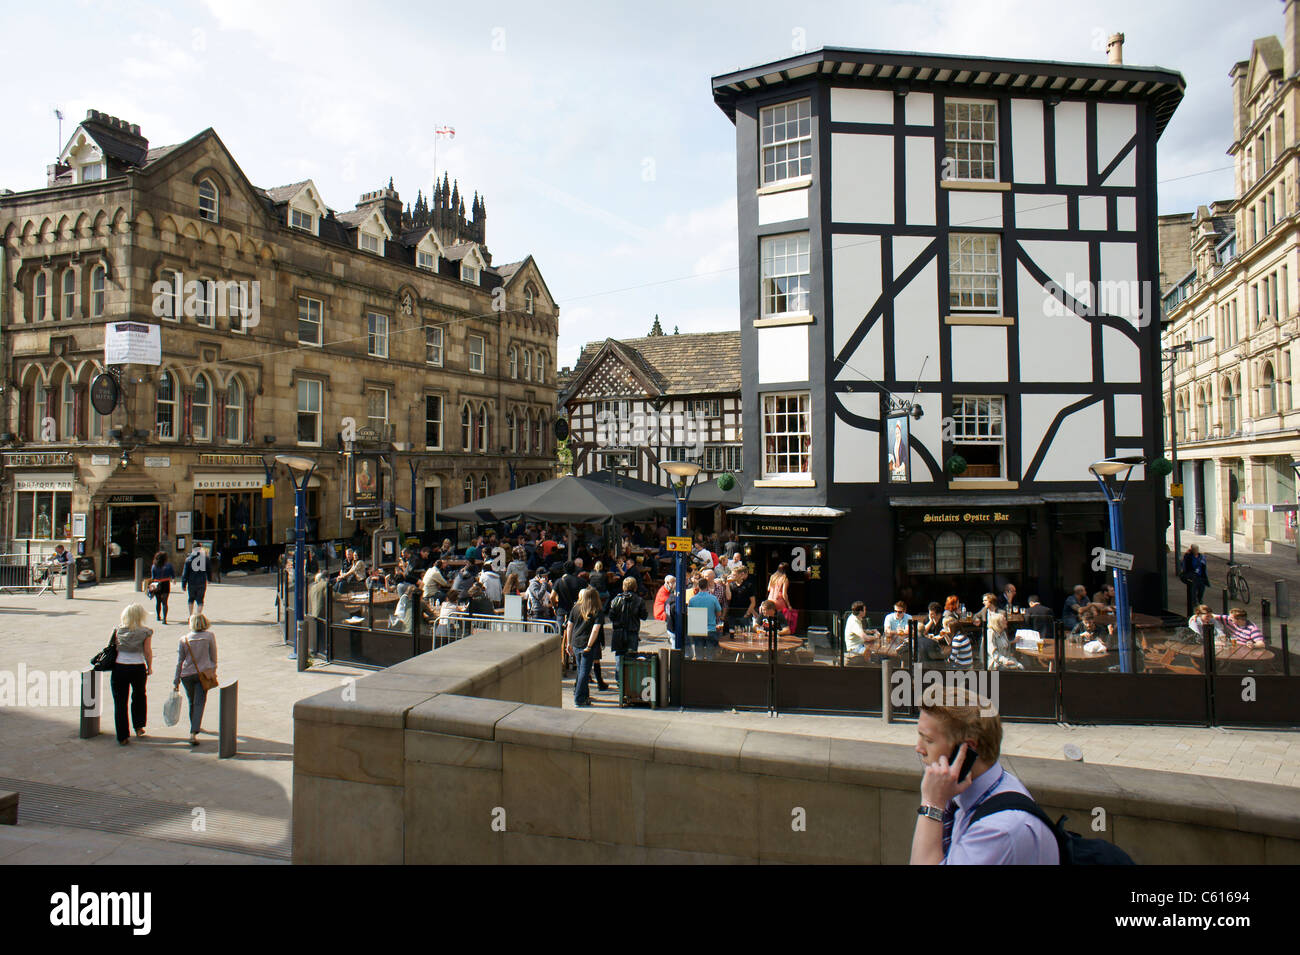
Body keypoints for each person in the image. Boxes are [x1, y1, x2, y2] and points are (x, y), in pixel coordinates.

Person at [910, 687, 1059, 865]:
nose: (919, 748)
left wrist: (931, 805)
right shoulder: (985, 789)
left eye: (928, 740)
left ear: (967, 750)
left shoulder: (999, 830)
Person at [111, 602, 153, 745]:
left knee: (120, 702)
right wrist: (149, 666)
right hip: (137, 667)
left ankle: (122, 735)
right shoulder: (145, 632)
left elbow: (113, 648)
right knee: (139, 696)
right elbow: (147, 651)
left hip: (119, 667)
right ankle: (139, 726)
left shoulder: (118, 630)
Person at [173, 613, 218, 747]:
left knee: (191, 701)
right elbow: (213, 656)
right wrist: (213, 670)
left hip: (186, 675)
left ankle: (194, 724)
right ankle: (194, 730)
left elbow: (179, 661)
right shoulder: (209, 636)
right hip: (203, 673)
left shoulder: (184, 639)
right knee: (200, 702)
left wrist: (176, 680)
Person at [568, 588, 607, 707]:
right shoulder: (597, 611)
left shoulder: (576, 608)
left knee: (581, 670)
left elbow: (569, 626)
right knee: (584, 672)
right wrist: (589, 645)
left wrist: (568, 643)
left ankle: (584, 695)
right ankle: (579, 698)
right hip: (587, 645)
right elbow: (595, 630)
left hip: (576, 642)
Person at [608, 576, 648, 690]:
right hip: (632, 632)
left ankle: (619, 680)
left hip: (618, 632)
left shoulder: (616, 599)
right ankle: (629, 680)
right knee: (631, 657)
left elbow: (611, 616)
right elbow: (644, 616)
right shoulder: (639, 600)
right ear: (635, 586)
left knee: (619, 657)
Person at [687, 578, 724, 660]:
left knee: (699, 655)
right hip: (710, 628)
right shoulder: (713, 598)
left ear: (698, 586)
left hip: (698, 628)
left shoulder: (692, 600)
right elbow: (719, 613)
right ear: (707, 586)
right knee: (710, 655)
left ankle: (699, 671)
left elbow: (690, 614)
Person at [179, 545, 209, 616]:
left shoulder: (188, 559)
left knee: (191, 599)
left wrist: (184, 584)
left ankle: (191, 615)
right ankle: (198, 615)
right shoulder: (205, 558)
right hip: (201, 582)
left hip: (191, 582)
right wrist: (209, 578)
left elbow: (185, 573)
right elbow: (209, 570)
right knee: (200, 600)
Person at [767, 562, 795, 632]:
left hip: (770, 598)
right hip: (778, 600)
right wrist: (789, 605)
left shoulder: (772, 577)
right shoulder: (784, 579)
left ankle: (771, 630)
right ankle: (780, 631)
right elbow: (784, 594)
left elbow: (768, 589)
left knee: (771, 616)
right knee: (781, 616)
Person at [148, 551, 175, 624]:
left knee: (158, 601)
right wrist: (173, 579)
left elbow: (153, 577)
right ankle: (164, 619)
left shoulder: (154, 566)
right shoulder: (169, 565)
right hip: (166, 583)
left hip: (157, 583)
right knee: (165, 602)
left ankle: (158, 616)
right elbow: (172, 574)